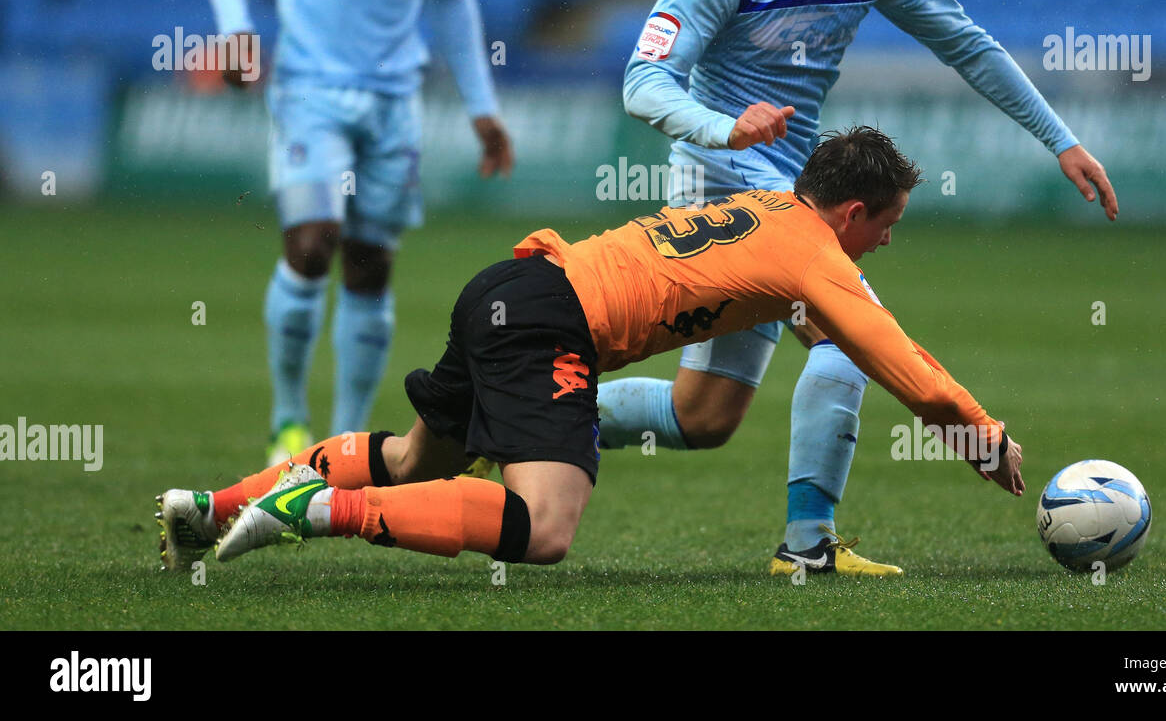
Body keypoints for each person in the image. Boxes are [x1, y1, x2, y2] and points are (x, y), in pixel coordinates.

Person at [598, 0, 1115, 576]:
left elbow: (966, 42)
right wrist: (724, 126)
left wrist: (1061, 139)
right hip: (721, 186)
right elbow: (643, 81)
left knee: (703, 418)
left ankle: (528, 414)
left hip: (794, 190)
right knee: (847, 336)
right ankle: (807, 550)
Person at [156, 127, 1025, 574]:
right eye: (888, 226)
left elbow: (774, 300)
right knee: (542, 531)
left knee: (421, 456)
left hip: (511, 286)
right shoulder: (815, 253)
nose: (885, 244)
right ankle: (316, 511)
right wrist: (980, 432)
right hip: (551, 327)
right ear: (853, 214)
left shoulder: (769, 209)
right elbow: (900, 361)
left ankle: (212, 504)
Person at [205, 0, 513, 465]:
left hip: (394, 99)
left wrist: (481, 103)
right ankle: (287, 420)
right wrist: (237, 32)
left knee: (371, 263)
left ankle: (338, 440)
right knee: (313, 245)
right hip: (309, 89)